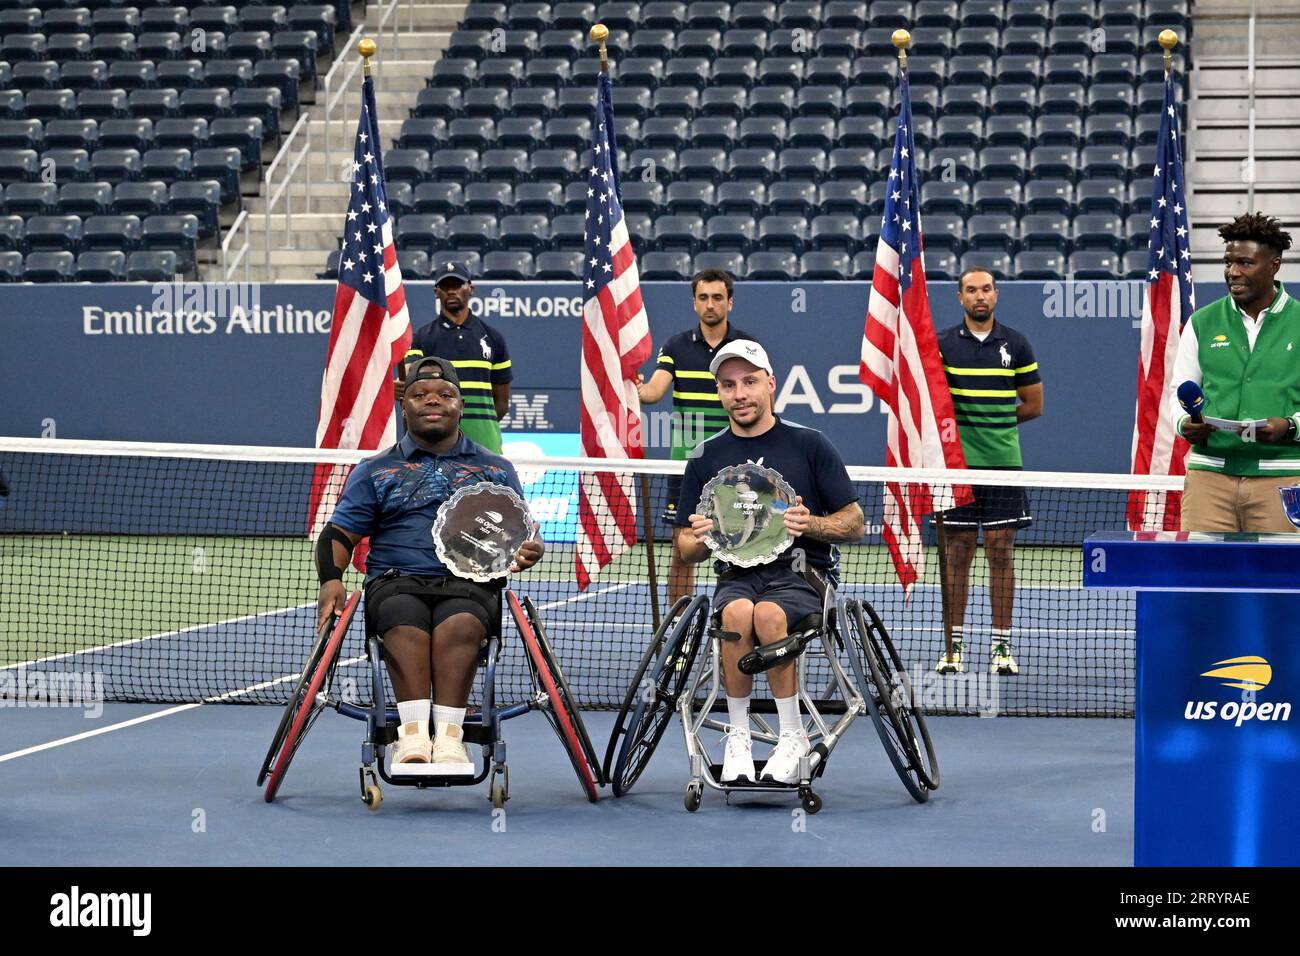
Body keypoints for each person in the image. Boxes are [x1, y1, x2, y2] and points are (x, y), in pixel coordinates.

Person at [318, 356, 544, 770]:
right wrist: (330, 580)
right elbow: (339, 534)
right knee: (404, 621)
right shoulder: (376, 470)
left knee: (459, 625)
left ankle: (452, 740)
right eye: (420, 395)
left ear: (461, 405)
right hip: (396, 581)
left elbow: (524, 533)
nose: (432, 401)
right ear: (404, 405)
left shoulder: (494, 468)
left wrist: (531, 549)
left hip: (471, 584)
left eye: (444, 394)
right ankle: (413, 736)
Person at [677, 340, 864, 785]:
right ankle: (739, 736)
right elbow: (684, 547)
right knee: (740, 612)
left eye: (749, 382)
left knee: (768, 614)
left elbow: (855, 523)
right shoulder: (705, 456)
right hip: (737, 576)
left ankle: (793, 735)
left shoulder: (810, 444)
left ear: (770, 385)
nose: (739, 394)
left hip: (802, 574)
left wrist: (812, 524)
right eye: (728, 385)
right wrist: (701, 539)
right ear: (719, 393)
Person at [935, 267, 1044, 676]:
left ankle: (1001, 646)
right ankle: (953, 647)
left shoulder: (1016, 344)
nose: (979, 296)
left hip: (1003, 466)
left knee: (1000, 551)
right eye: (970, 290)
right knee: (957, 554)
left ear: (996, 295)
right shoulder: (942, 344)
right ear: (960, 297)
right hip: (957, 469)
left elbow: (1033, 405)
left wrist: (993, 422)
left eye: (986, 289)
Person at [636, 269, 760, 608]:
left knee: (744, 545)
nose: (710, 304)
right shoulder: (676, 345)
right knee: (683, 549)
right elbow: (654, 391)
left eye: (717, 297)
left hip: (735, 463)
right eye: (703, 297)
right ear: (694, 303)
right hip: (686, 463)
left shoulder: (746, 347)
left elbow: (762, 398)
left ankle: (736, 615)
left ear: (729, 303)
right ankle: (680, 628)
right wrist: (637, 389)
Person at [1171, 213, 1300, 532]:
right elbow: (1178, 391)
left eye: (1245, 263)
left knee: (1278, 581)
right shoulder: (1202, 322)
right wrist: (1185, 424)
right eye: (1228, 263)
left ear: (1274, 265)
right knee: (1201, 579)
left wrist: (1290, 426)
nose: (1233, 272)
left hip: (1283, 480)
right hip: (1208, 480)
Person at [394, 261, 512, 453]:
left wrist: (475, 424)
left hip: (485, 443)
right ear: (436, 292)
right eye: (445, 286)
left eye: (457, 285)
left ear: (470, 289)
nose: (451, 291)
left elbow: (502, 404)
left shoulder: (493, 338)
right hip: (436, 446)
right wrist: (398, 386)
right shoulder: (423, 337)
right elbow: (409, 379)